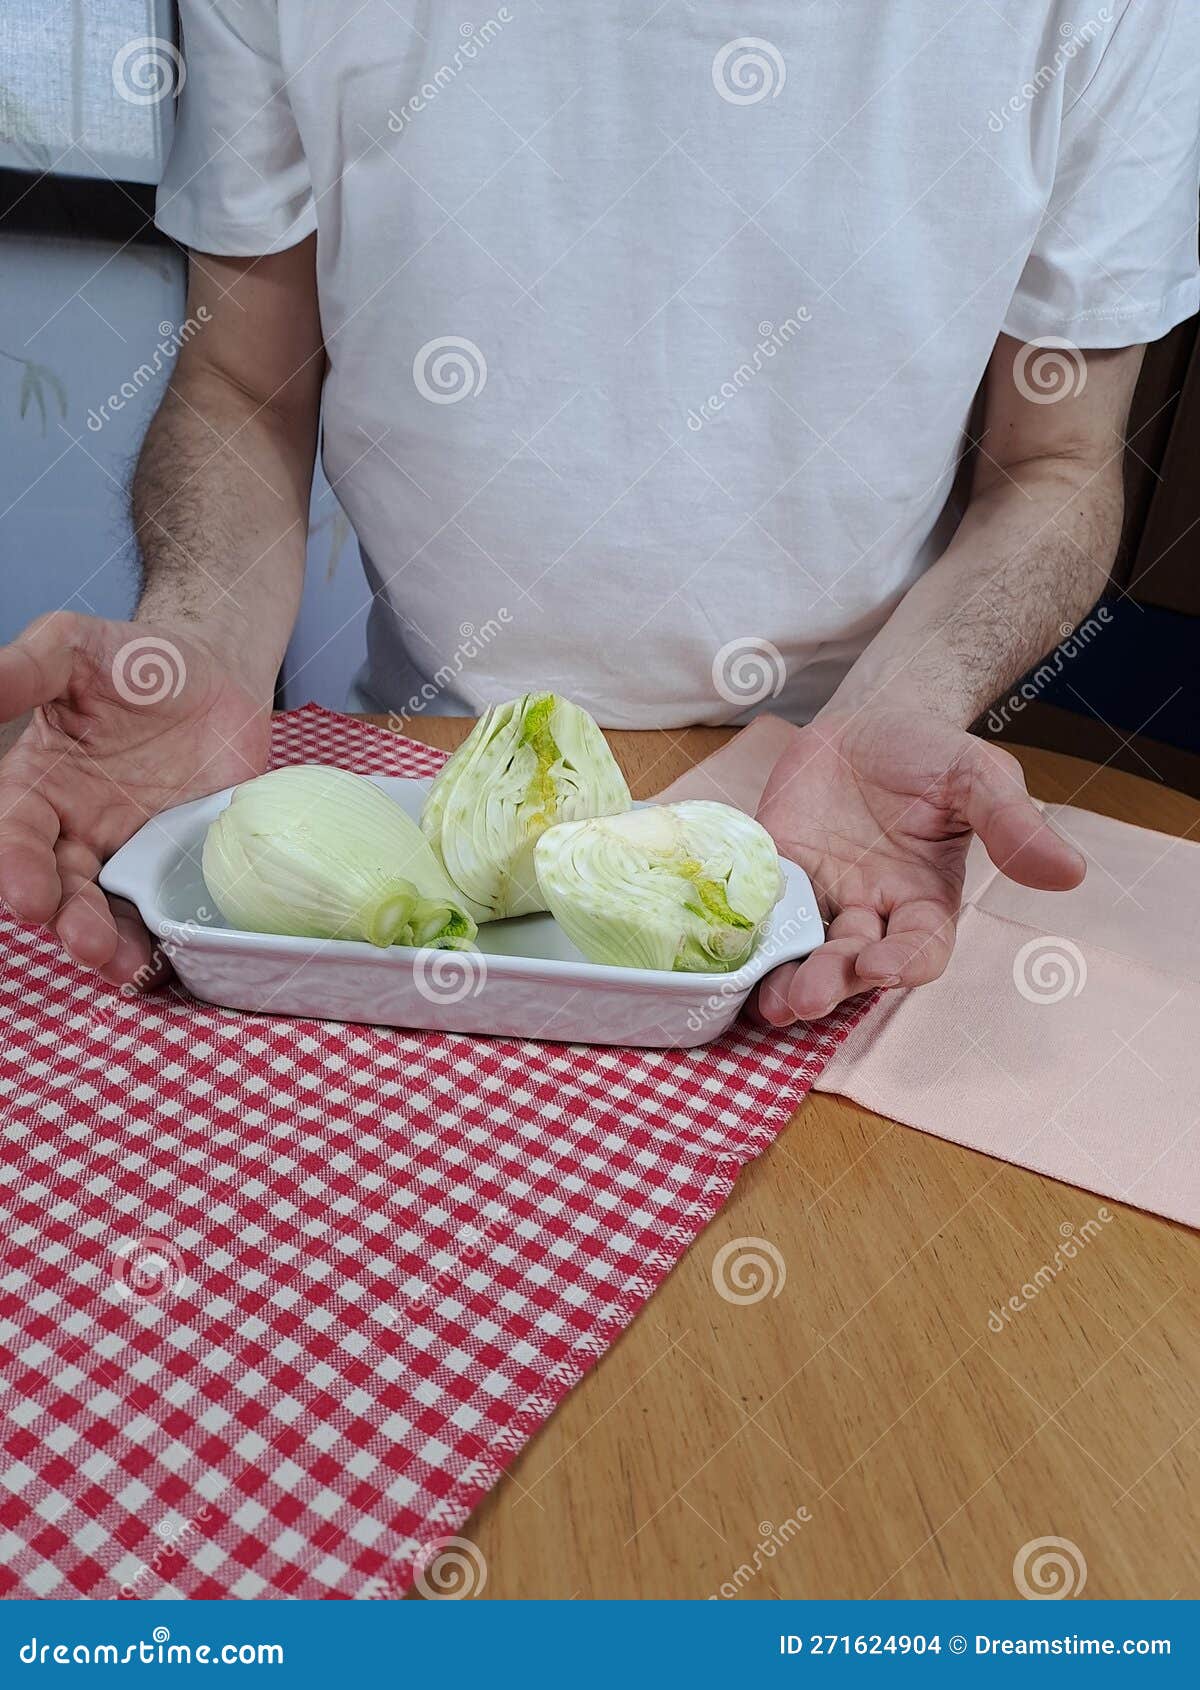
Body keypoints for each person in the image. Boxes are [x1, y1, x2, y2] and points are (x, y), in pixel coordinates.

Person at [0, 1, 1196, 1025]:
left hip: (843, 831)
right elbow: (242, 386)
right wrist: (195, 642)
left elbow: (1060, 466)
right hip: (423, 782)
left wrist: (908, 704)